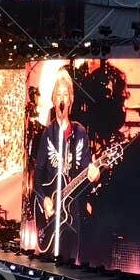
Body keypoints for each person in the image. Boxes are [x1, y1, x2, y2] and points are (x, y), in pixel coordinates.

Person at [30, 71, 99, 260]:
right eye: (58, 94)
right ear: (54, 100)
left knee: (69, 262)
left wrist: (94, 175)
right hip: (51, 212)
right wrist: (43, 199)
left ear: (71, 100)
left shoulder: (80, 132)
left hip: (72, 212)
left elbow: (86, 173)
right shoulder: (48, 133)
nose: (62, 98)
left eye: (65, 94)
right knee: (47, 263)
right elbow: (38, 174)